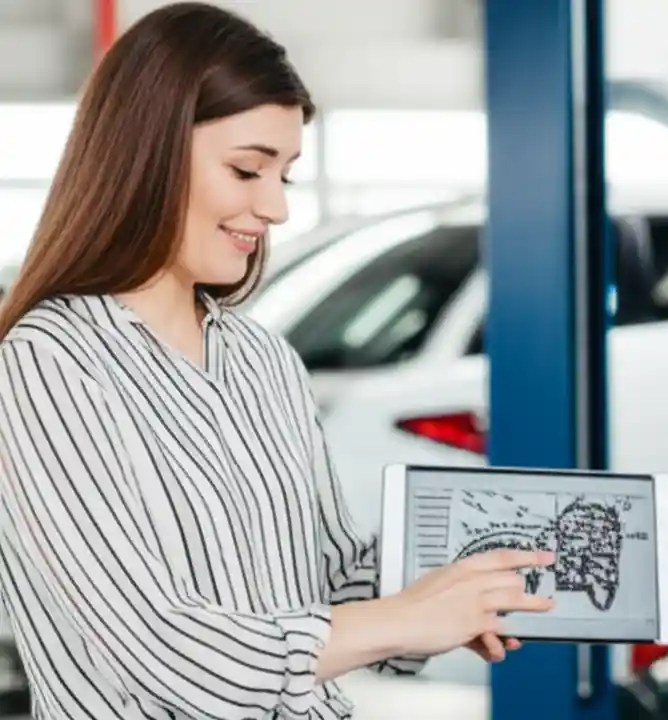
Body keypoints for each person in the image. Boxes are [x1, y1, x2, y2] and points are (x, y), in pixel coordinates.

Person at [0, 4, 553, 718]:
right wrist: (407, 617)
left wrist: (466, 586)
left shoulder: (261, 358)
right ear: (146, 155)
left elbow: (334, 578)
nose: (276, 209)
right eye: (247, 169)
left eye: (285, 176)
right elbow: (156, 653)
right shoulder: (48, 365)